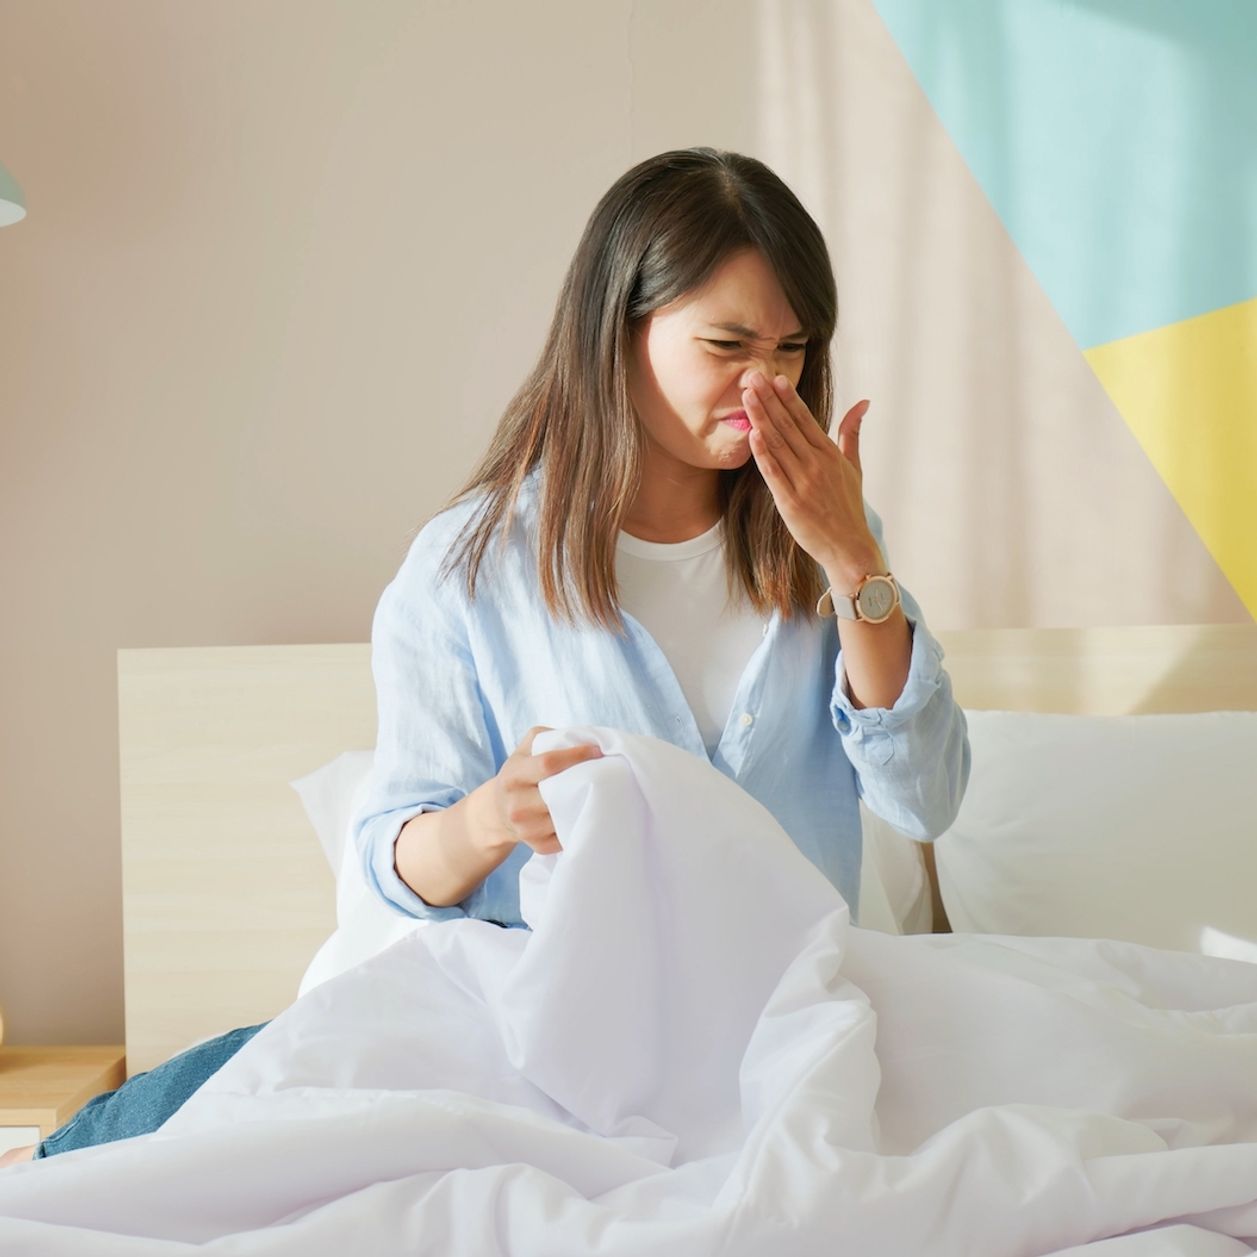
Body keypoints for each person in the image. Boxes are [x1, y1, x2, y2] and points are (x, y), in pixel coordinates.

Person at [5, 146, 969, 1169]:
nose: (764, 385)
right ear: (618, 333)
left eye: (791, 350)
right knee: (176, 1131)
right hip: (541, 1042)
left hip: (782, 1035)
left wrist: (854, 561)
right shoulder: (473, 568)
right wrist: (486, 817)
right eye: (727, 344)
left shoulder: (826, 541)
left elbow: (924, 800)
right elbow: (393, 871)